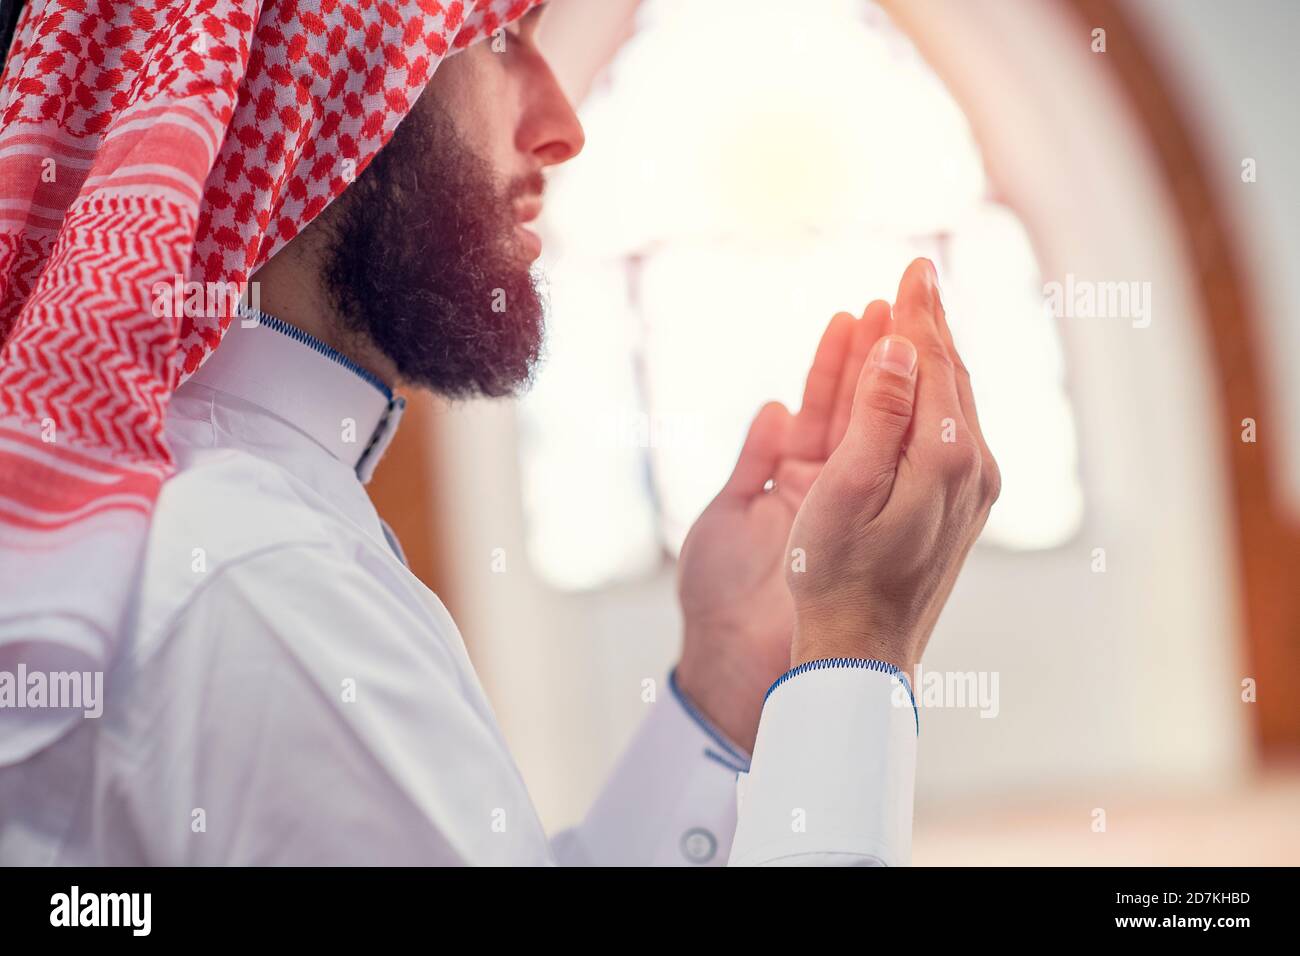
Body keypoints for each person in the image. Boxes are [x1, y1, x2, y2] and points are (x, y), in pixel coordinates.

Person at [0, 1, 998, 865]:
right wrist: (854, 654)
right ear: (327, 76)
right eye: (503, 37)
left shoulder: (241, 509)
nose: (563, 127)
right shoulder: (252, 571)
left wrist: (732, 677)